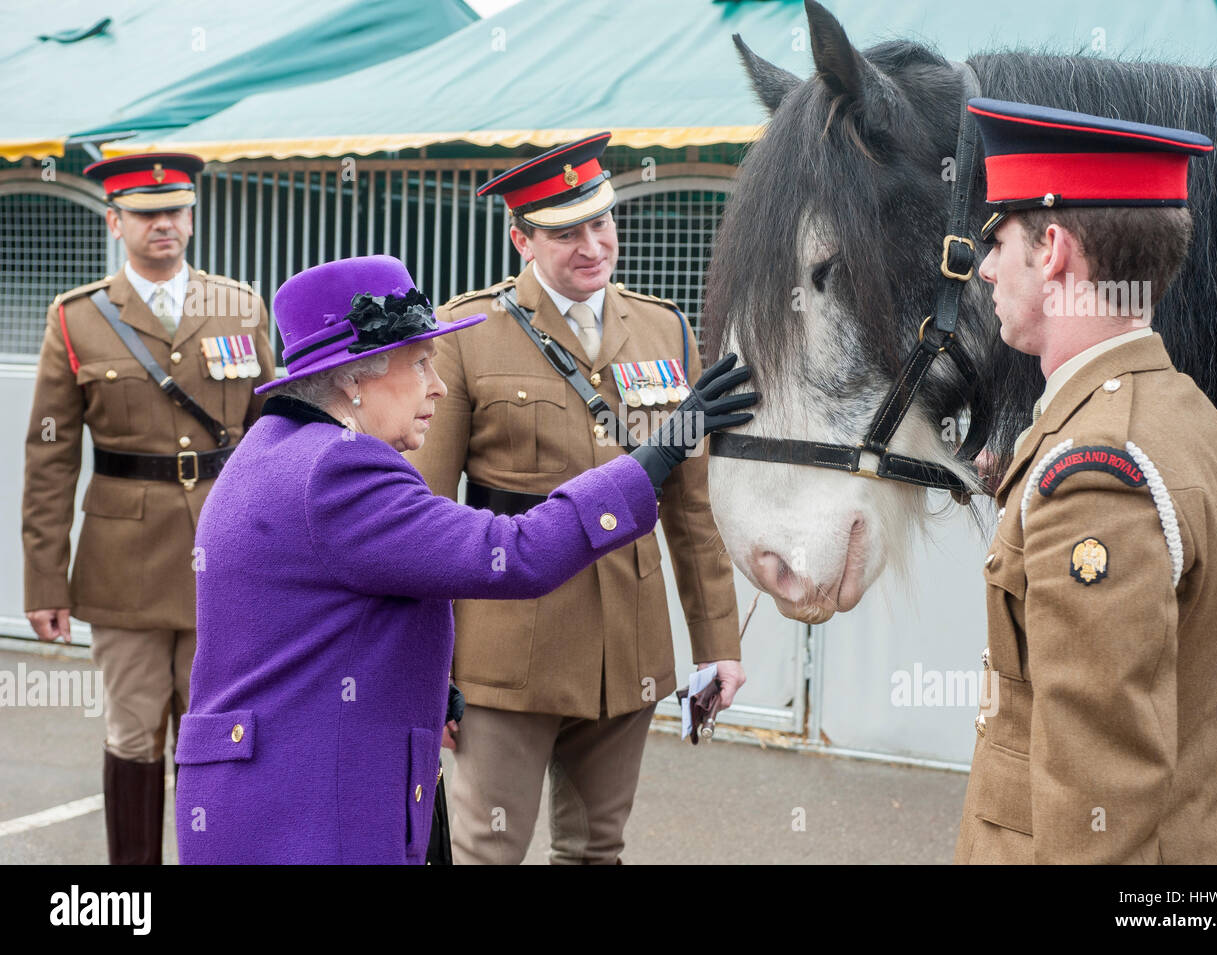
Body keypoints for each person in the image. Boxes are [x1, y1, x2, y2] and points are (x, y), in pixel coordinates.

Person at [174, 254, 756, 864]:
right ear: (353, 379)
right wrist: (655, 459)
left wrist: (420, 681)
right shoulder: (339, 469)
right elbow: (511, 554)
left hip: (275, 792)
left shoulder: (275, 447)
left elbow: (320, 620)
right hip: (314, 809)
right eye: (420, 363)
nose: (439, 384)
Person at [408, 134, 746, 865]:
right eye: (566, 233)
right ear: (520, 239)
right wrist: (430, 674)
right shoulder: (464, 335)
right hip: (504, 656)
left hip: (626, 648)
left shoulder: (666, 329)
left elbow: (690, 510)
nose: (593, 245)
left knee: (598, 848)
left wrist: (718, 644)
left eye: (602, 222)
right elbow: (425, 522)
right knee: (487, 849)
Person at [955, 98, 1217, 864]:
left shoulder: (1094, 475)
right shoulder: (1186, 414)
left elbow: (1102, 808)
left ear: (1052, 247)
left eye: (1000, 238)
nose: (986, 265)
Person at [21, 152, 274, 864]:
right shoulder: (77, 319)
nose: (164, 224)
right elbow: (50, 456)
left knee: (217, 731)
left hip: (226, 555)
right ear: (114, 222)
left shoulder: (239, 305)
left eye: (175, 210)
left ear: (192, 217)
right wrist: (45, 580)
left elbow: (273, 429)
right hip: (123, 564)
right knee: (133, 734)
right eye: (146, 213)